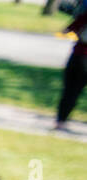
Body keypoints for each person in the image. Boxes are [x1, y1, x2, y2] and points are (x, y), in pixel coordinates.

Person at [55, 2, 87, 131]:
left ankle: (60, 121)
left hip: (77, 56)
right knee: (74, 90)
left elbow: (66, 30)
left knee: (70, 91)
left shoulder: (84, 16)